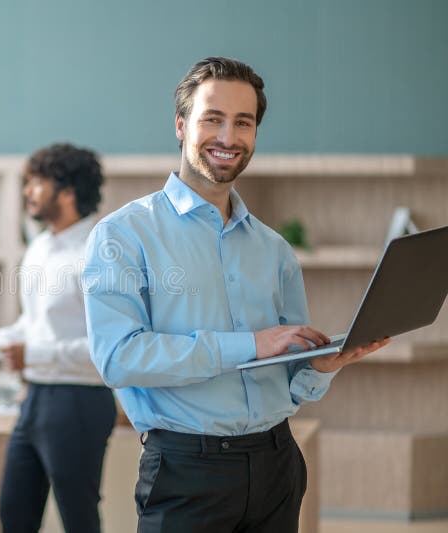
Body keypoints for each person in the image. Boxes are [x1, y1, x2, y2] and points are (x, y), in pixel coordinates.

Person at [82, 57, 391, 533]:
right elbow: (118, 358)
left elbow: (287, 376)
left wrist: (318, 366)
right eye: (213, 119)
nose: (228, 137)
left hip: (277, 464)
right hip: (187, 472)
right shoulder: (123, 236)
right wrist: (250, 344)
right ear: (181, 125)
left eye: (243, 123)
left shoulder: (274, 249)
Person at [0, 143, 115, 533]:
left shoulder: (99, 251)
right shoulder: (40, 247)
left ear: (67, 192)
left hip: (79, 401)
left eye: (37, 183)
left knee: (78, 520)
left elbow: (108, 346)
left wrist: (32, 354)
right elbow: (32, 322)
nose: (27, 192)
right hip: (34, 397)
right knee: (14, 513)